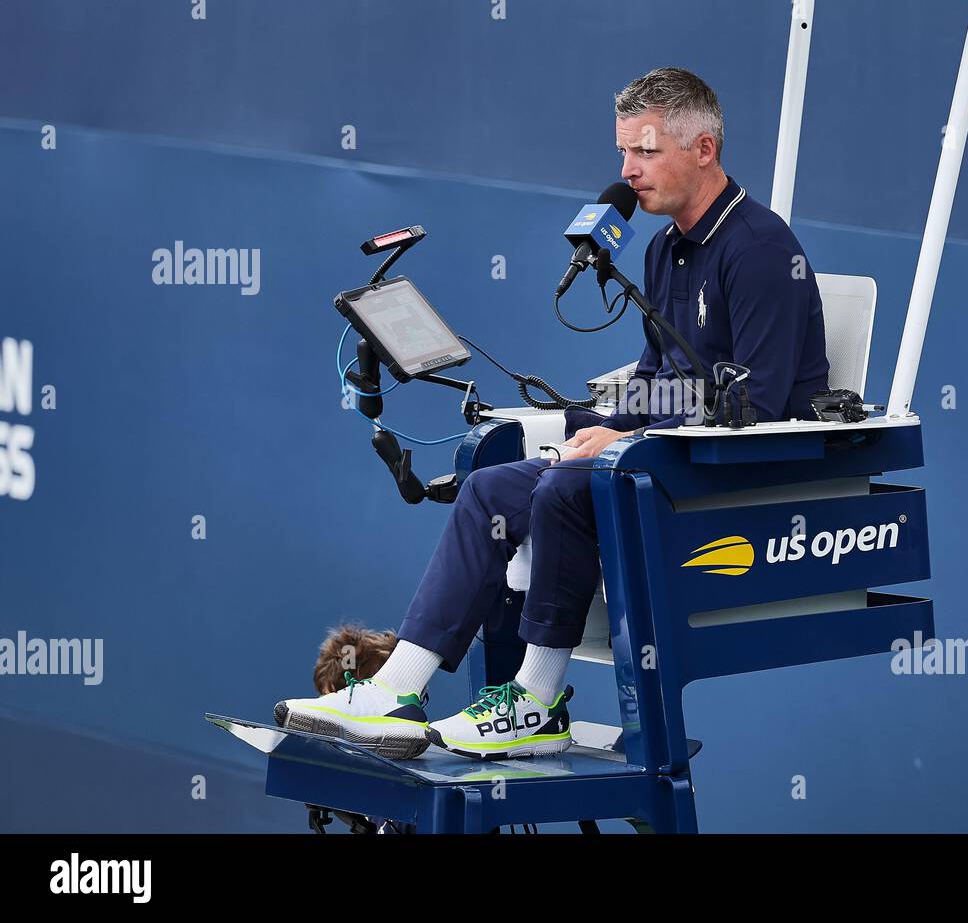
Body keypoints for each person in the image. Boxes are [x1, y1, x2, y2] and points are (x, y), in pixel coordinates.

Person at [274, 67, 830, 761]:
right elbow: (660, 381)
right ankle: (397, 689)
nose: (627, 172)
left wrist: (621, 443)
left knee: (571, 485)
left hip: (733, 475)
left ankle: (537, 700)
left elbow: (758, 401)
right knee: (491, 487)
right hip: (662, 457)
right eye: (623, 152)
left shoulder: (762, 251)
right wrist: (592, 424)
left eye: (646, 152)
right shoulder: (664, 251)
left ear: (705, 150)